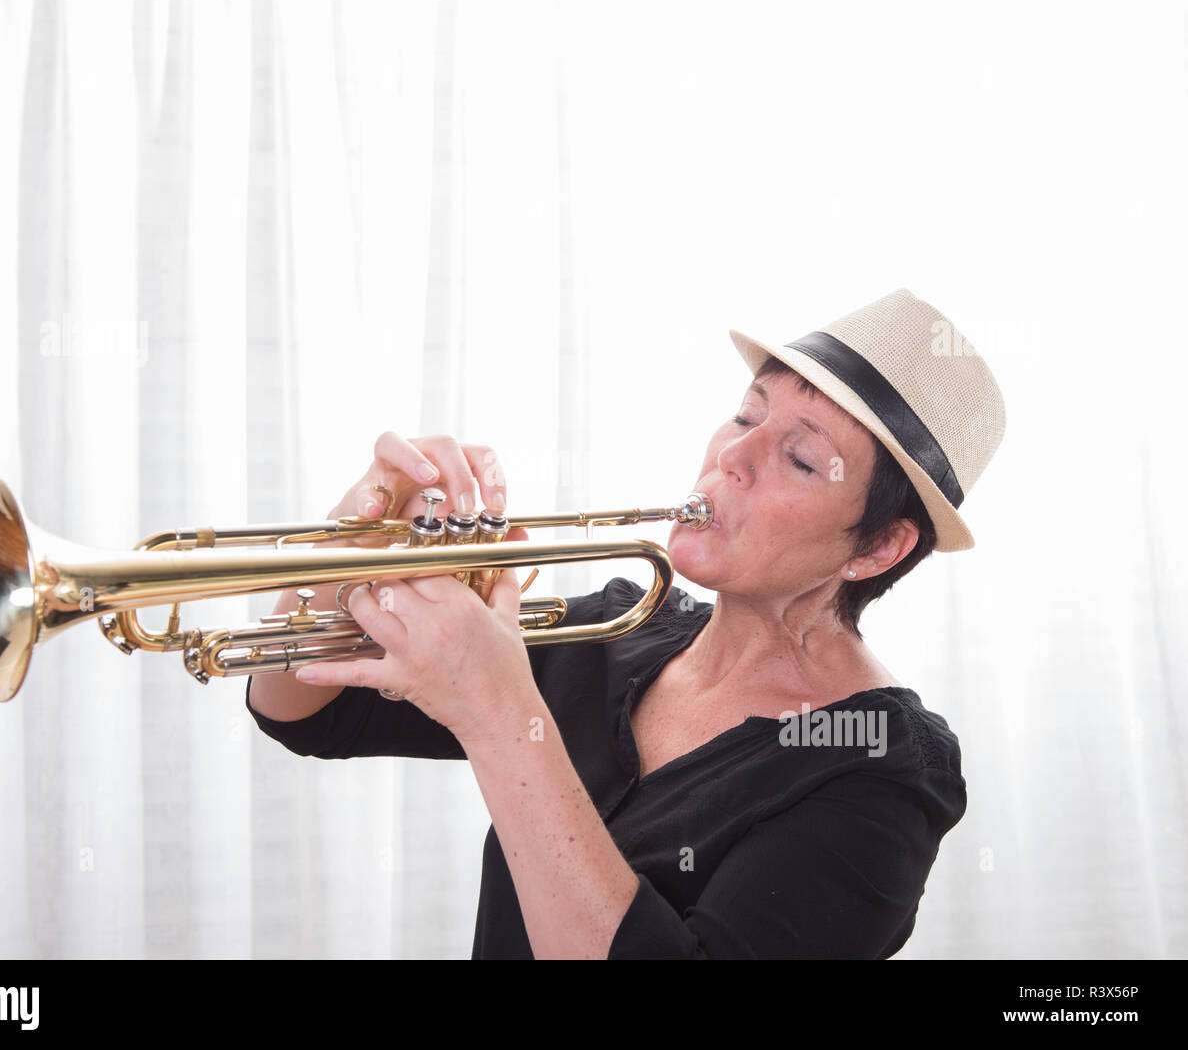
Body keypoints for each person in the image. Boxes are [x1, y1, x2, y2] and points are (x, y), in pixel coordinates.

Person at [245, 287, 1006, 959]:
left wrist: (502, 716)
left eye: (801, 458)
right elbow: (307, 713)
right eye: (746, 412)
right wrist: (353, 537)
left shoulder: (884, 768)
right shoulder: (618, 628)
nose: (732, 455)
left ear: (877, 547)